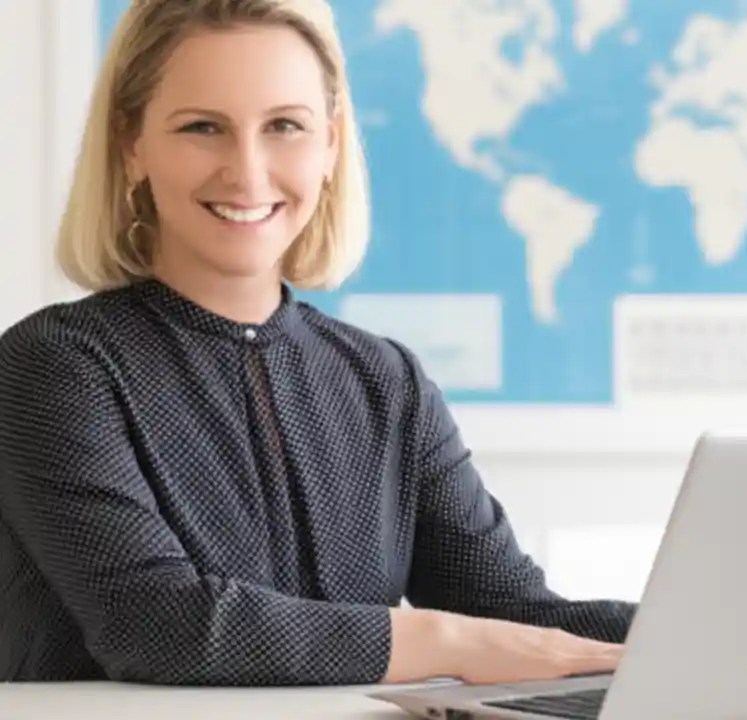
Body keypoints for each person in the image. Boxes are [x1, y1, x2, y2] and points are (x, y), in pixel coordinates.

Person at [0, 0, 634, 686]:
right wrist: (443, 640)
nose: (247, 171)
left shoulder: (386, 379)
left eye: (285, 127)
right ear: (132, 145)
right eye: (202, 127)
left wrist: (722, 620)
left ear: (330, 145)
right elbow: (160, 627)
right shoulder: (53, 367)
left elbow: (513, 613)